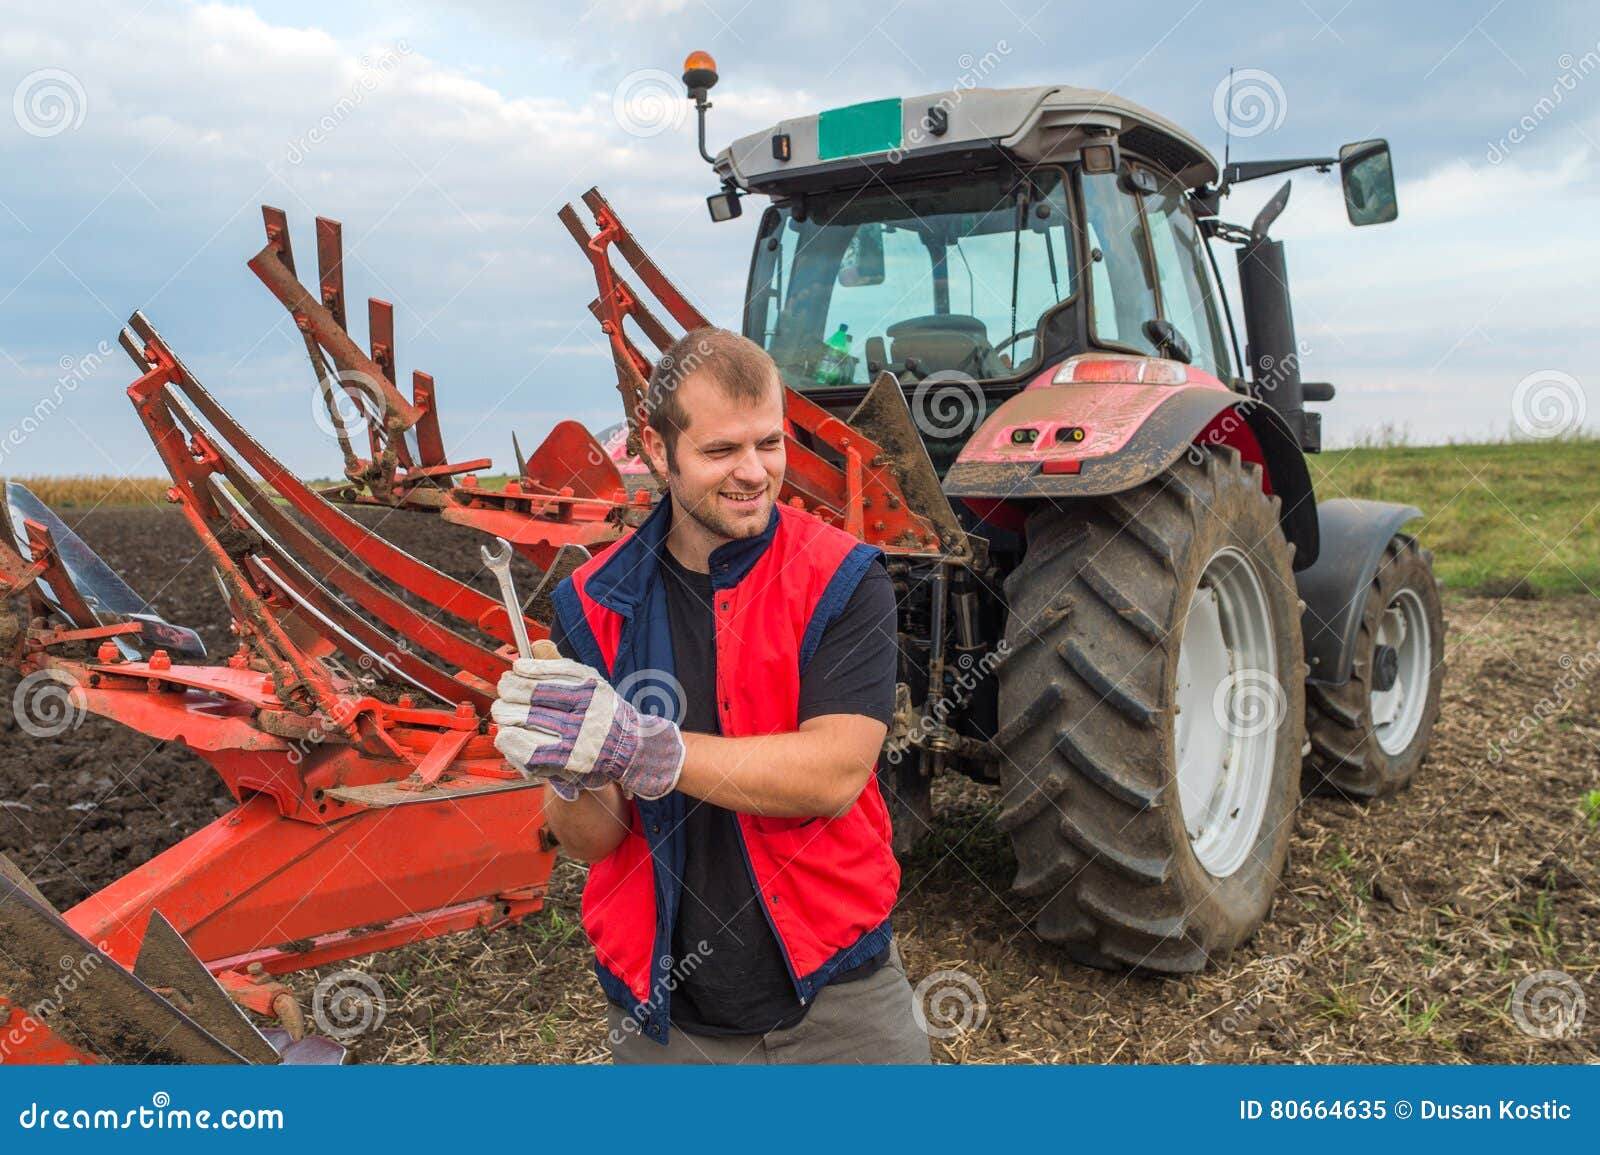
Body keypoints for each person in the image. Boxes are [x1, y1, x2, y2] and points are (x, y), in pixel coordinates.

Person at [492, 326, 929, 1064]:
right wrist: (570, 768)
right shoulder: (592, 604)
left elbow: (832, 774)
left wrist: (641, 746)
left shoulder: (842, 579)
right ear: (658, 451)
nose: (754, 472)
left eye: (769, 443)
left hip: (838, 998)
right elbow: (591, 841)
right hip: (671, 1021)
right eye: (722, 451)